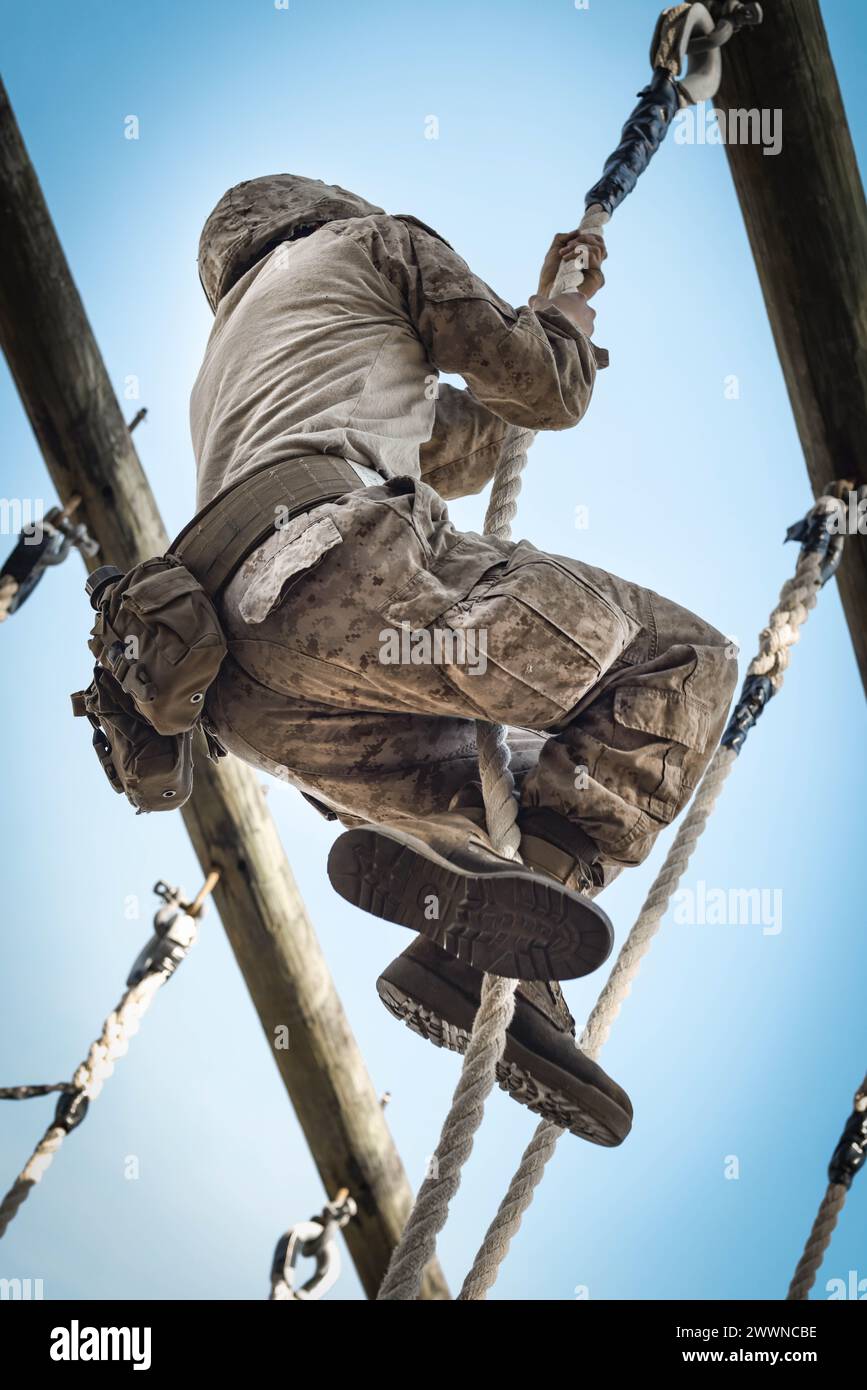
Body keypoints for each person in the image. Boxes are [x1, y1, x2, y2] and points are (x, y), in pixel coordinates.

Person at [191, 175, 737, 1143]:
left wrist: (533, 322)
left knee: (486, 784)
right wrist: (558, 322)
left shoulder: (231, 358)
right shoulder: (373, 246)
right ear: (325, 202)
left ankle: (482, 939)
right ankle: (532, 899)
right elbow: (542, 385)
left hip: (246, 686)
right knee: (685, 661)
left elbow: (467, 447)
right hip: (344, 570)